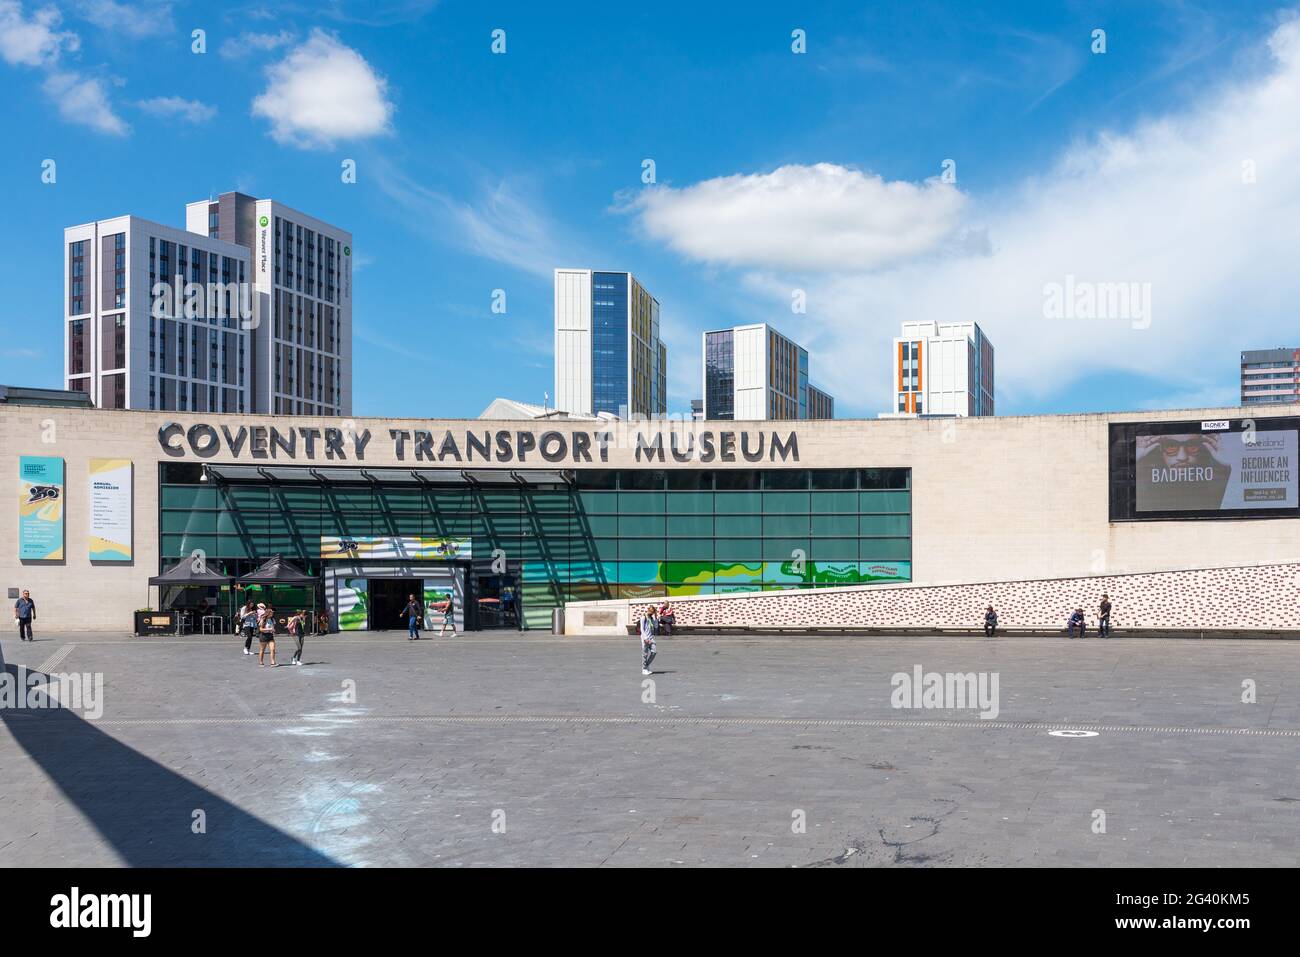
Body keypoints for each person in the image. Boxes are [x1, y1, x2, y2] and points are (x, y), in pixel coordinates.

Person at [640, 605, 658, 676]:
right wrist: (645, 638)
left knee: (654, 652)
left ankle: (646, 666)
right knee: (645, 654)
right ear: (648, 610)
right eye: (651, 611)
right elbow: (642, 629)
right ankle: (644, 669)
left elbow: (656, 626)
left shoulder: (651, 618)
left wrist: (656, 617)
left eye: (653, 612)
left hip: (651, 638)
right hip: (645, 638)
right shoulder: (643, 617)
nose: (652, 613)